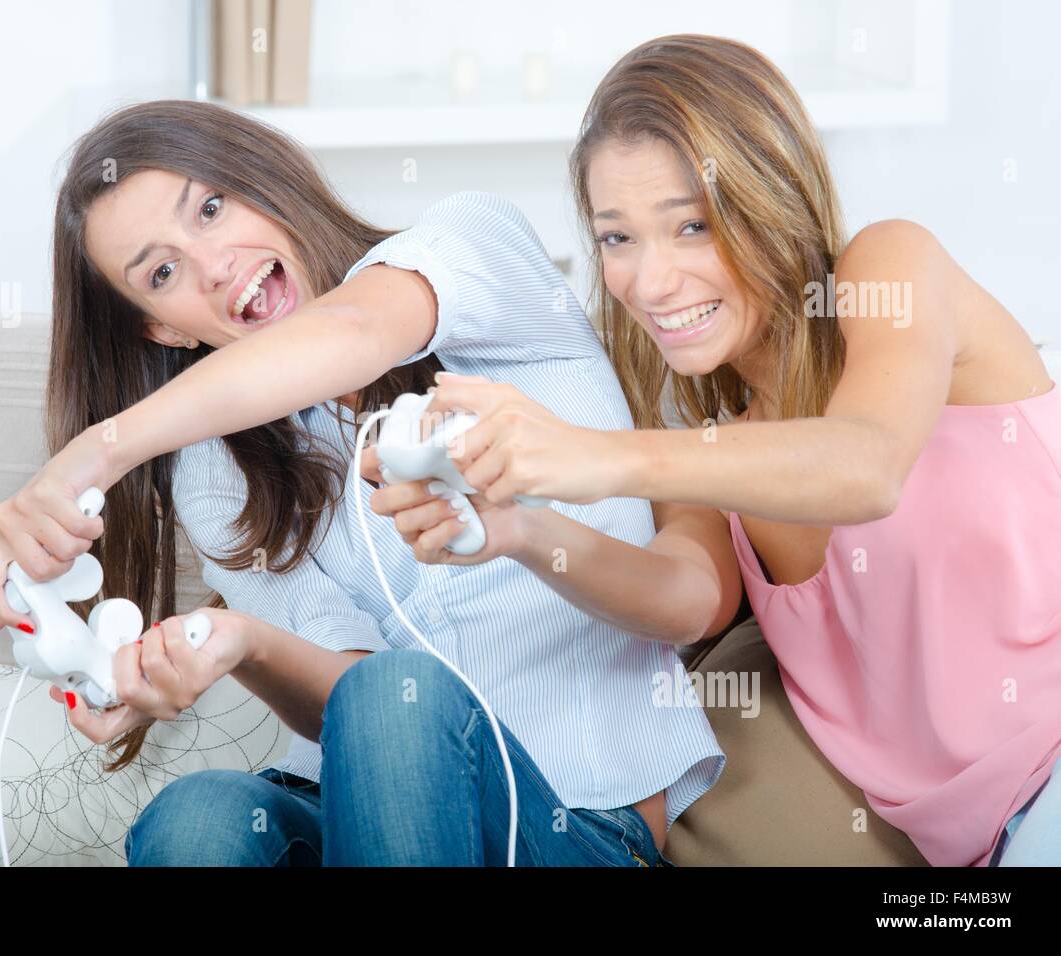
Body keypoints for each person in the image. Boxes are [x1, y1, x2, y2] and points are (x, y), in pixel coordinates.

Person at [370, 34, 1061, 867]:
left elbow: (868, 465)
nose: (651, 283)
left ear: (770, 195)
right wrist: (517, 529)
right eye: (617, 239)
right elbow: (681, 596)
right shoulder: (710, 448)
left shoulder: (891, 271)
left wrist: (600, 453)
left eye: (692, 225)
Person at [0, 99, 726, 866]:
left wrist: (92, 454)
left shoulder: (471, 247)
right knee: (199, 818)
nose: (214, 265)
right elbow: (349, 698)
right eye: (163, 272)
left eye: (210, 207)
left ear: (263, 178)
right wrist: (243, 642)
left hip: (574, 825)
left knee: (397, 700)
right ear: (159, 326)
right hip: (360, 822)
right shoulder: (213, 469)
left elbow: (357, 330)